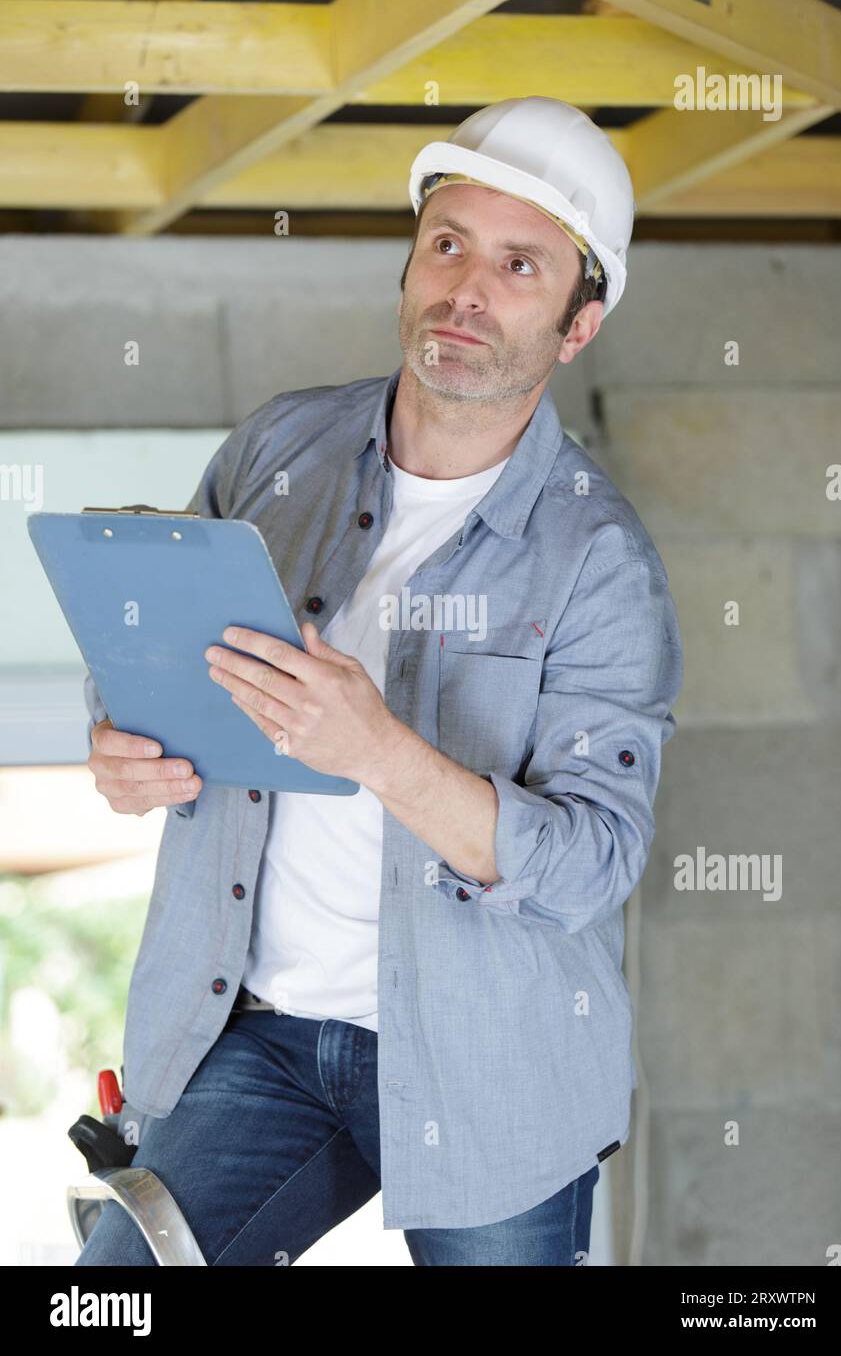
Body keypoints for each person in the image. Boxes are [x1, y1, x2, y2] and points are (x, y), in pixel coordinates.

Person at [75, 96, 683, 1266]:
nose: (467, 289)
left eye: (519, 265)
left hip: (487, 1056)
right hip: (256, 1037)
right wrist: (124, 744)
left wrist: (378, 753)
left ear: (577, 322)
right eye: (447, 243)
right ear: (409, 263)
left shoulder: (600, 561)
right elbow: (151, 656)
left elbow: (593, 863)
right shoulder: (276, 454)